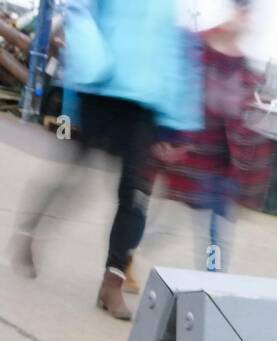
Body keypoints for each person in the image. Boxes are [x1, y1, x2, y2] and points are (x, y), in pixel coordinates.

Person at [11, 0, 201, 319]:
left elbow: (175, 55)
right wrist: (84, 75)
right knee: (75, 179)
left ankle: (112, 281)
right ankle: (31, 231)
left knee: (136, 195)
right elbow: (80, 14)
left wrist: (177, 122)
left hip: (144, 105)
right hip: (99, 89)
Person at [152, 0, 272, 273]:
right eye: (240, 11)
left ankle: (211, 284)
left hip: (225, 169)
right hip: (190, 159)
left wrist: (249, 181)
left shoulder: (245, 67)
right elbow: (177, 94)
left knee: (217, 237)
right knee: (164, 227)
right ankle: (127, 254)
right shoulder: (197, 47)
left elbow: (246, 124)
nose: (244, 18)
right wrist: (166, 139)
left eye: (247, 13)